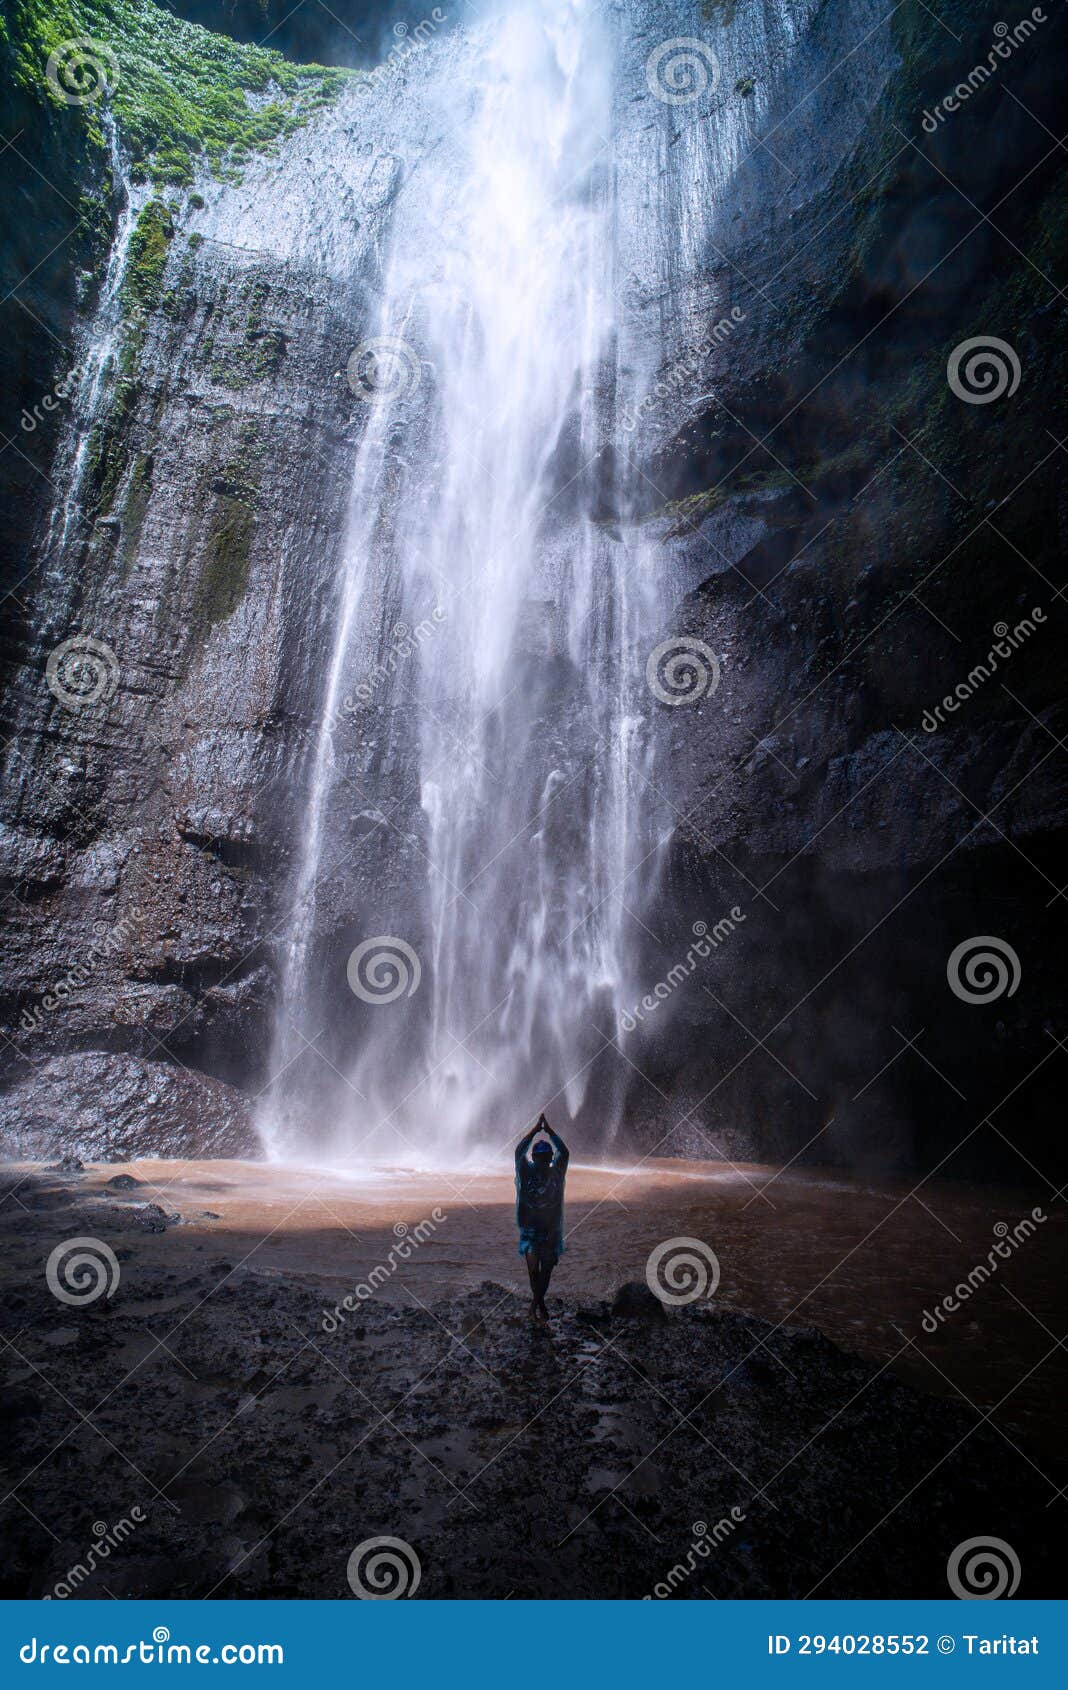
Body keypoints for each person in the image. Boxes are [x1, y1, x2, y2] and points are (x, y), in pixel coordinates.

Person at [514, 1113, 569, 1323]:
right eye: (541, 1157)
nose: (544, 1160)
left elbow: (564, 1152)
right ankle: (539, 1304)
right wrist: (537, 1130)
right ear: (535, 1158)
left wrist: (546, 1131)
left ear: (549, 1159)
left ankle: (535, 1305)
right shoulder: (526, 1173)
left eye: (547, 1157)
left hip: (551, 1233)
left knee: (544, 1272)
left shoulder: (557, 1173)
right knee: (533, 1271)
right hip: (530, 1232)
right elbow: (519, 1152)